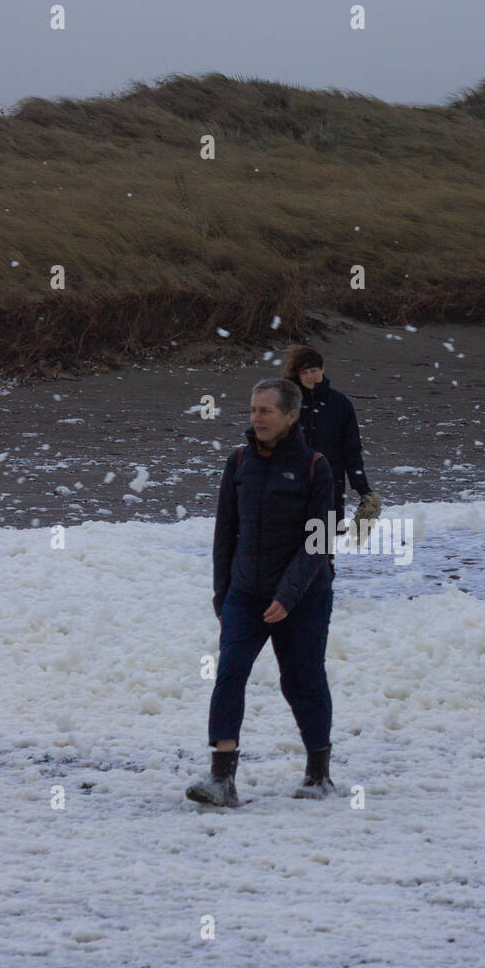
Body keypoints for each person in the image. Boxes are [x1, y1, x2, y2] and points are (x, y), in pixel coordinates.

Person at [186, 378, 339, 808]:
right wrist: (222, 595)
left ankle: (318, 773)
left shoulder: (315, 467)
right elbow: (224, 535)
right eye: (253, 410)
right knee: (229, 675)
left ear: (291, 416)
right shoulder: (237, 463)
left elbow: (319, 541)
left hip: (303, 597)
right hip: (246, 594)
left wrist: (288, 595)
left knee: (302, 681)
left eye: (266, 411)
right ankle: (222, 779)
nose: (256, 418)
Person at [284, 345, 381, 554]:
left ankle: (320, 584)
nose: (311, 376)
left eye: (314, 370)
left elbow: (351, 449)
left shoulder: (340, 404)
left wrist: (362, 488)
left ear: (323, 369)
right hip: (292, 485)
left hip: (329, 484)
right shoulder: (287, 404)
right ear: (297, 375)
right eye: (305, 372)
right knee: (292, 544)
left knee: (321, 549)